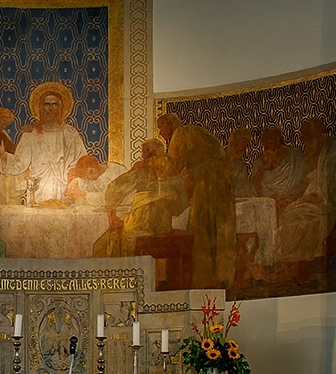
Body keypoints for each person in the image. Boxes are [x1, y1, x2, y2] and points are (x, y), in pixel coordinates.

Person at [157, 112, 238, 290]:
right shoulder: (196, 131)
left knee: (201, 227)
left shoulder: (180, 134)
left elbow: (174, 166)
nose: (161, 134)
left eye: (161, 128)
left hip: (207, 180)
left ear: (170, 124)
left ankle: (204, 279)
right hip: (222, 179)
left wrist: (154, 169)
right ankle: (223, 276)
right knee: (221, 227)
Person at [276, 118, 336, 264]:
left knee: (292, 222)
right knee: (279, 218)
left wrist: (323, 198)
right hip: (306, 201)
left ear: (318, 134)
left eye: (308, 136)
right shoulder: (310, 154)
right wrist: (290, 198)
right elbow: (303, 183)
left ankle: (295, 263)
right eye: (304, 138)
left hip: (324, 205)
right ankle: (287, 264)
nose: (305, 141)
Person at [0, 82, 88, 205]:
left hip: (63, 188)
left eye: (54, 104)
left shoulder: (70, 133)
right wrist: (3, 156)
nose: (50, 108)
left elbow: (82, 160)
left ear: (60, 108)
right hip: (38, 190)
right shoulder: (30, 134)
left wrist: (73, 176)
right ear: (40, 108)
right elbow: (20, 162)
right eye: (47, 104)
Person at [92, 154, 188, 258]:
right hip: (162, 227)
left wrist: (112, 215)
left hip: (139, 226)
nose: (160, 177)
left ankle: (124, 270)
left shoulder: (143, 173)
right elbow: (179, 208)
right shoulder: (177, 180)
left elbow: (114, 189)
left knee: (104, 244)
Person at [252, 126, 307, 212]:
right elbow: (254, 190)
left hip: (292, 203)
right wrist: (262, 169)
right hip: (267, 205)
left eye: (273, 141)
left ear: (280, 141)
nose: (270, 146)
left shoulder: (295, 156)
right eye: (266, 142)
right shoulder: (258, 162)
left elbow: (303, 183)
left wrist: (289, 199)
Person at [225, 128, 256, 198]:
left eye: (247, 143)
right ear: (234, 140)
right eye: (242, 141)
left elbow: (242, 187)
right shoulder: (220, 156)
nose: (244, 145)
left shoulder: (241, 166)